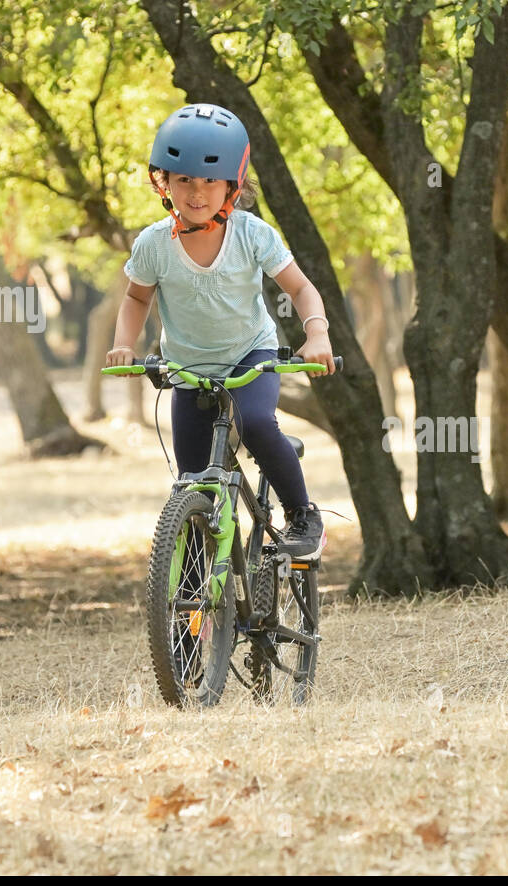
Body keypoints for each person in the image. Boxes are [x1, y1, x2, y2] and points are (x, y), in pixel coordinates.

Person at [106, 103, 333, 559]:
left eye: (210, 180)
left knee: (255, 422)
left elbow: (302, 288)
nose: (196, 192)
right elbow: (136, 299)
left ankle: (302, 514)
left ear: (232, 185)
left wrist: (319, 334)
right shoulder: (154, 244)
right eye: (184, 179)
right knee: (192, 485)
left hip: (251, 356)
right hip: (189, 369)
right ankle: (185, 620)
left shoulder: (252, 235)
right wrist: (123, 346)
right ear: (163, 182)